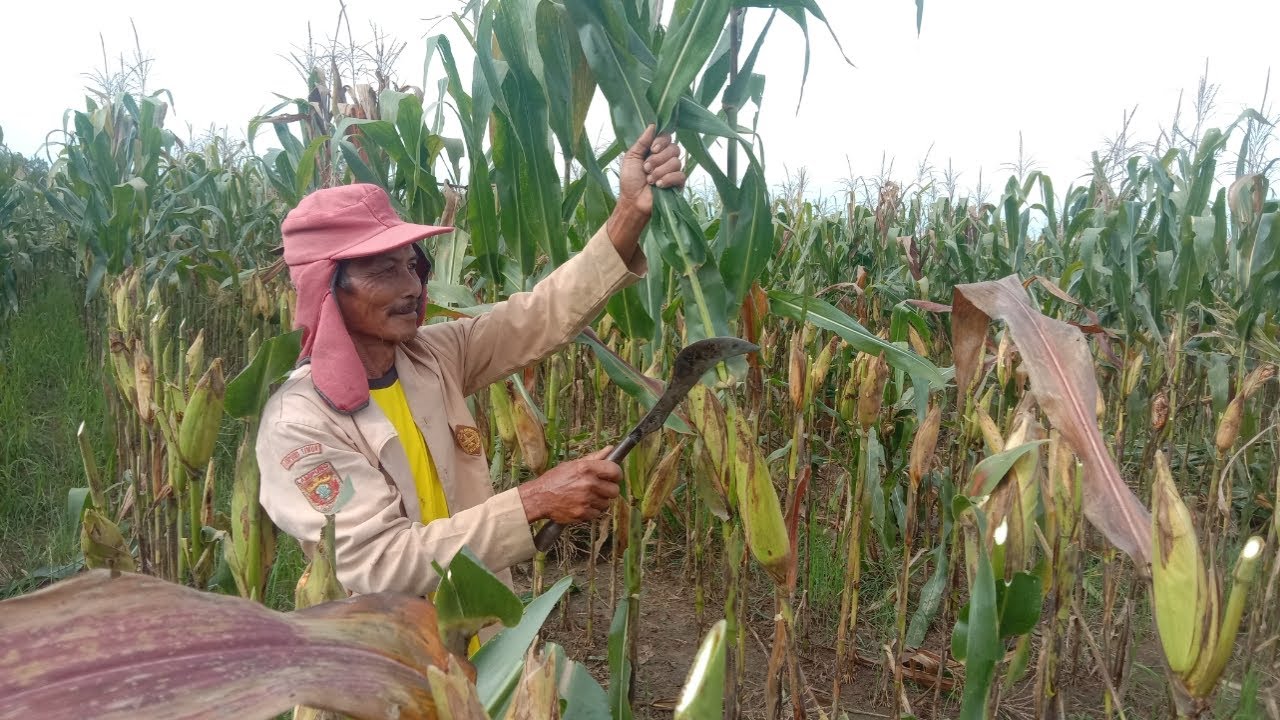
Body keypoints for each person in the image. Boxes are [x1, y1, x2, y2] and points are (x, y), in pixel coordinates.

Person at [256, 125, 685, 599]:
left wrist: (630, 212)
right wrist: (534, 501)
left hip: (481, 627)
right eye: (382, 271)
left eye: (410, 265)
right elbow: (377, 563)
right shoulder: (299, 425)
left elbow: (540, 315)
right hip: (398, 654)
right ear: (325, 289)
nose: (412, 288)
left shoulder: (431, 356)